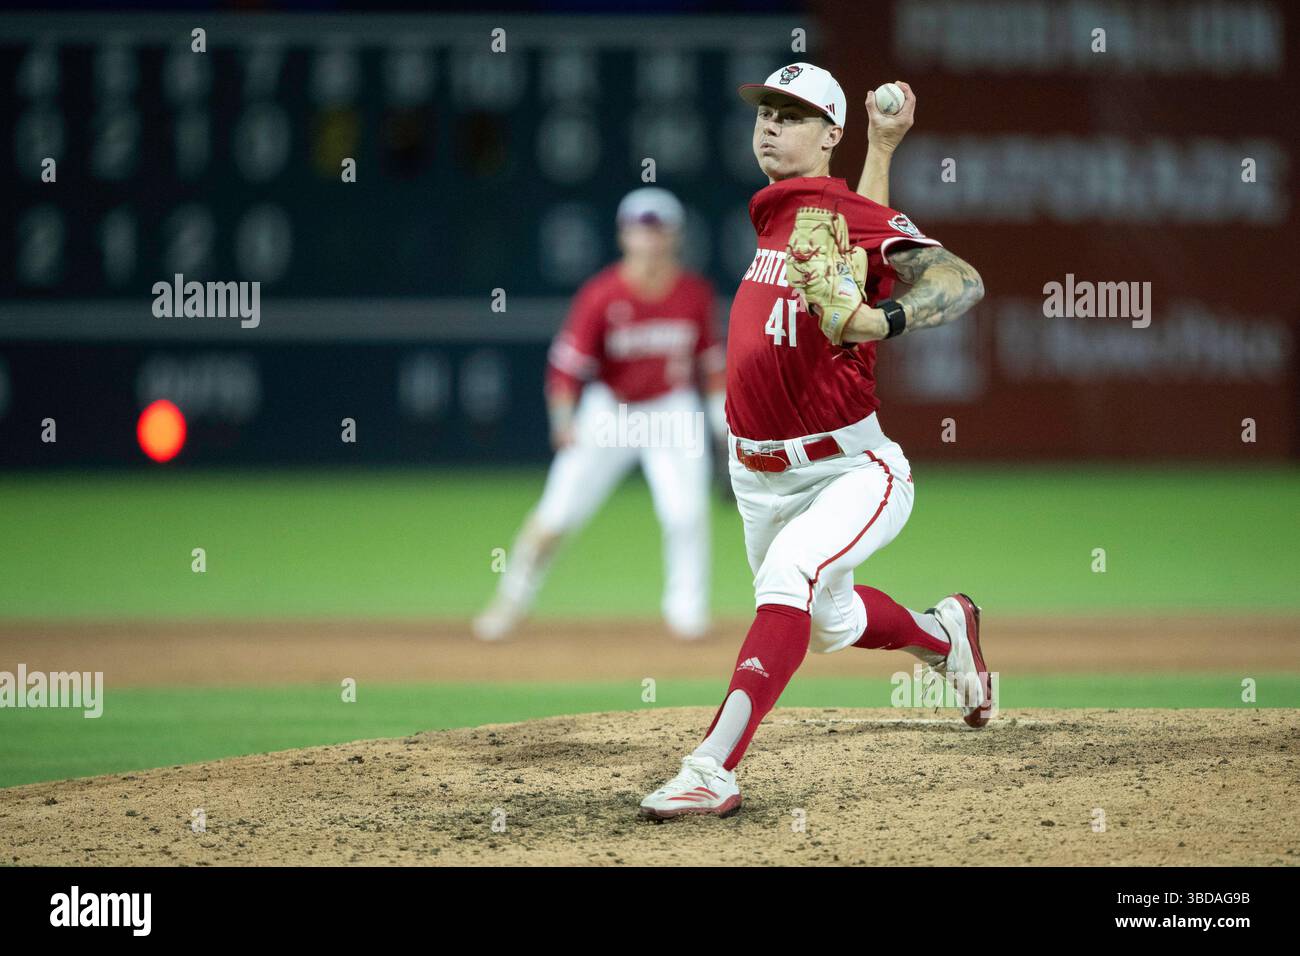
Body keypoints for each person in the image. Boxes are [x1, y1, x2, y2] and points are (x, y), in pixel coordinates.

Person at [639, 64, 990, 820]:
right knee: (830, 622)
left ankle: (711, 767)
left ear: (831, 135)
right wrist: (885, 150)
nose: (769, 124)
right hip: (756, 474)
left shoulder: (827, 205)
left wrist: (881, 321)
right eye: (765, 110)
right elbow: (858, 226)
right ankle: (943, 634)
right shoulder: (782, 210)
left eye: (791, 115)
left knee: (790, 576)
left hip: (848, 466)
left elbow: (960, 281)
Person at [474, 187, 726, 642]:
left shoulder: (694, 294)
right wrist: (563, 419)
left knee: (687, 515)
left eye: (658, 229)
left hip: (672, 410)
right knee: (557, 515)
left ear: (674, 236)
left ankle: (687, 613)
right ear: (623, 235)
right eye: (640, 228)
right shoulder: (601, 294)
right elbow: (567, 367)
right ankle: (510, 601)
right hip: (610, 410)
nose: (649, 238)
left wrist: (721, 429)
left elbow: (710, 366)